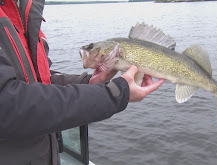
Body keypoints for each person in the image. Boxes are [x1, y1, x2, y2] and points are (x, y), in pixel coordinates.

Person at [0, 0, 164, 164]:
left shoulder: (22, 10)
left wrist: (89, 83)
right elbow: (8, 103)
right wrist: (117, 93)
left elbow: (38, 81)